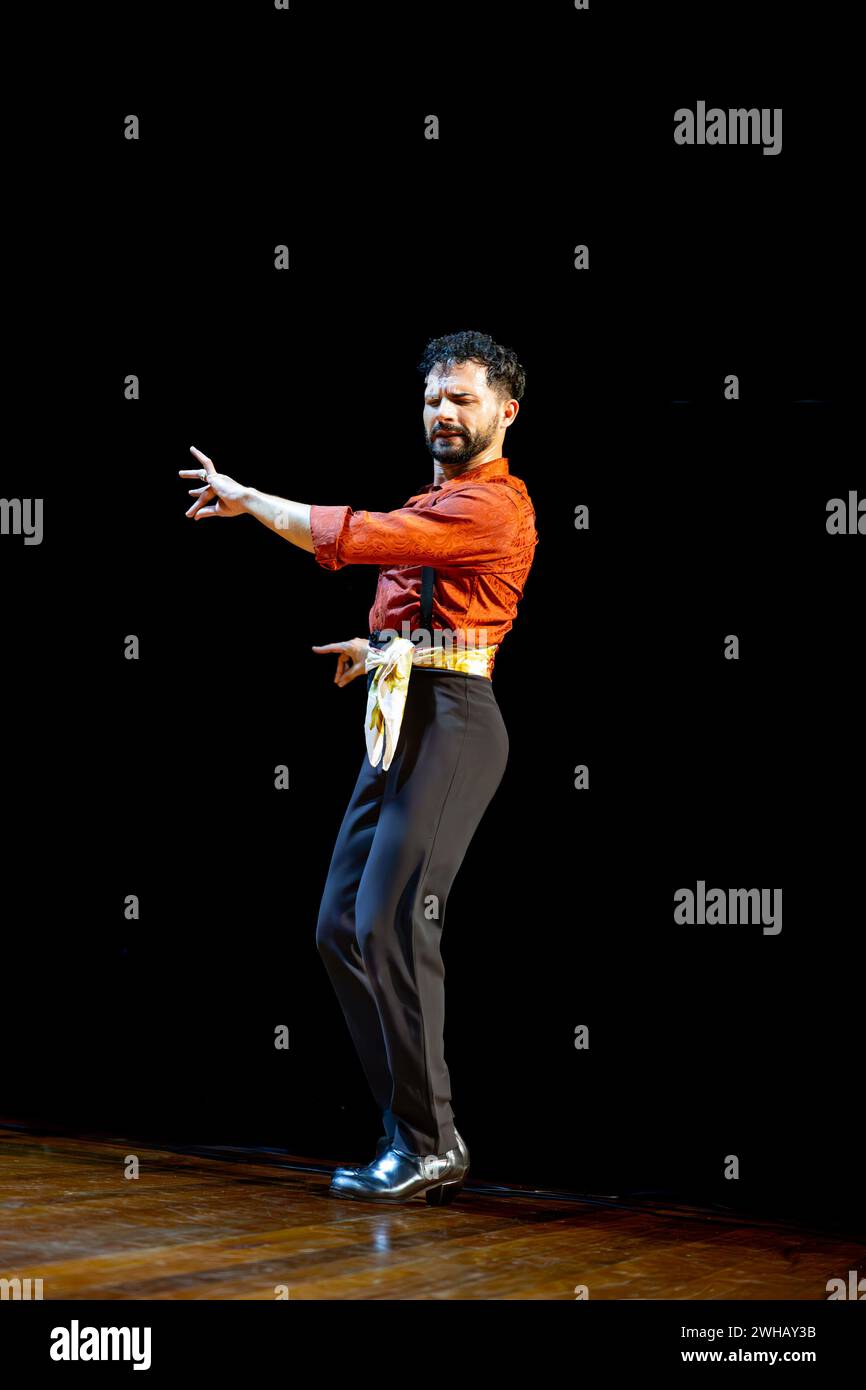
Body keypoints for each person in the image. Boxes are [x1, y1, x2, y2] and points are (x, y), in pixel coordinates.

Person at [178, 330, 538, 1204]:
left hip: (454, 724)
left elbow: (361, 537)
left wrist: (251, 500)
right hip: (403, 710)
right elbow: (422, 605)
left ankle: (430, 1141)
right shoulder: (439, 500)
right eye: (431, 399)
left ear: (505, 410)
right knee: (341, 926)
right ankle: (408, 1133)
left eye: (461, 398)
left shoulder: (493, 506)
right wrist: (381, 649)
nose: (442, 412)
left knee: (391, 923)